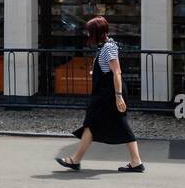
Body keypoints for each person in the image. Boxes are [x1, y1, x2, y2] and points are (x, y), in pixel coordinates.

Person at [57, 16, 145, 173]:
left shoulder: (108, 48)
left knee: (103, 122)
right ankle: (135, 161)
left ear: (96, 33)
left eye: (90, 32)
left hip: (109, 93)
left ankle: (76, 160)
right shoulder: (106, 46)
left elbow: (116, 72)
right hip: (106, 92)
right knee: (101, 123)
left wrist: (118, 96)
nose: (87, 35)